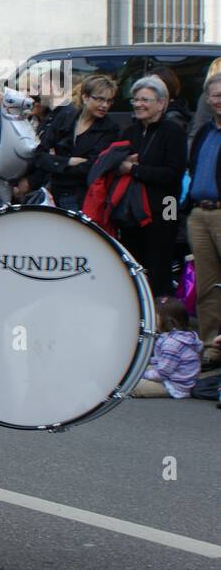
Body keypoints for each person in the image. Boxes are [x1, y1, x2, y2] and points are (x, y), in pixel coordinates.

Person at [119, 76, 188, 297]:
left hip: (165, 207)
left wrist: (134, 169)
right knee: (135, 265)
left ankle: (163, 318)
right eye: (136, 99)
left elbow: (172, 174)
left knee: (160, 264)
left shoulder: (173, 131)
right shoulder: (130, 132)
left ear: (161, 103)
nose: (139, 104)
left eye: (145, 100)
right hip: (133, 210)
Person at [32, 74, 119, 212]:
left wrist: (55, 161)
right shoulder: (65, 118)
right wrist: (69, 161)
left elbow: (92, 167)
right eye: (100, 99)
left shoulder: (110, 128)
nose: (105, 105)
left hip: (83, 196)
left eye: (109, 101)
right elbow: (39, 155)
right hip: (53, 193)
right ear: (85, 97)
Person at [187, 72, 221, 368]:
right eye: (215, 95)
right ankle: (211, 346)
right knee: (207, 285)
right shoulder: (204, 132)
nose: (219, 100)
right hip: (199, 213)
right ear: (207, 100)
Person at [130, 297, 201, 398]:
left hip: (174, 387)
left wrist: (139, 373)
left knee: (131, 384)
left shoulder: (171, 344)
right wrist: (144, 362)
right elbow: (162, 360)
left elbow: (160, 374)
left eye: (154, 318)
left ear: (167, 321)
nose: (151, 320)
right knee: (136, 371)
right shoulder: (183, 336)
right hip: (175, 378)